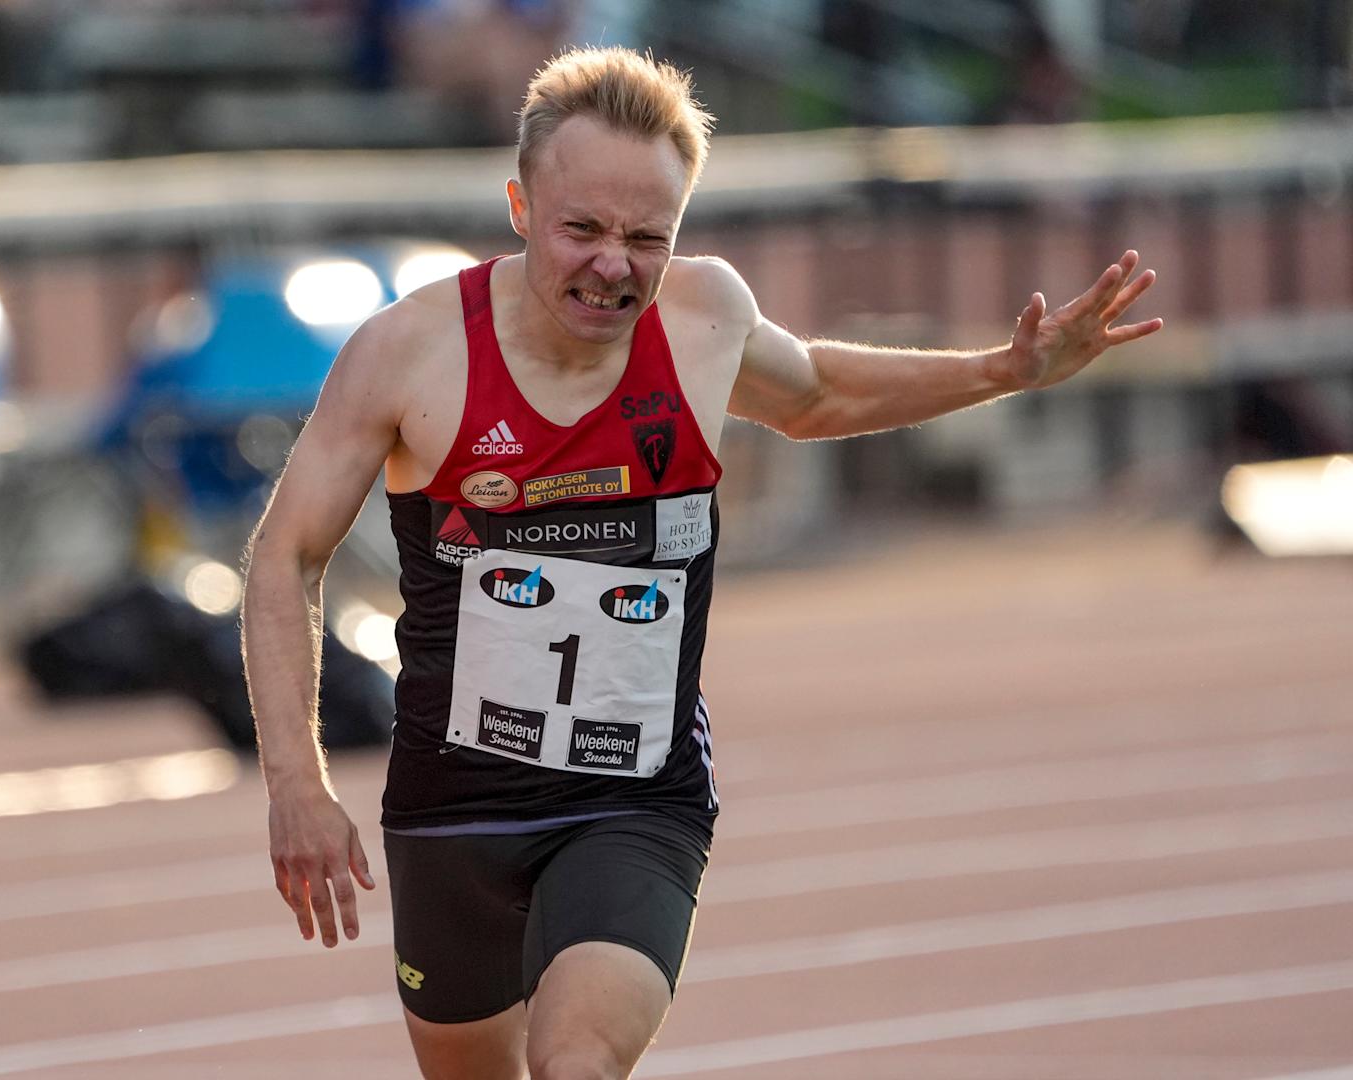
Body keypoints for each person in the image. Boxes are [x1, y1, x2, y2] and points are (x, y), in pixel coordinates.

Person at [239, 45, 1162, 1080]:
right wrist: (295, 784)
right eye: (581, 229)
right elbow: (286, 556)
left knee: (576, 1062)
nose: (612, 266)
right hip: (456, 805)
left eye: (646, 238)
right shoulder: (410, 352)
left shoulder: (703, 316)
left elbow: (813, 392)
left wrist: (1006, 368)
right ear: (518, 206)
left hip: (637, 799)